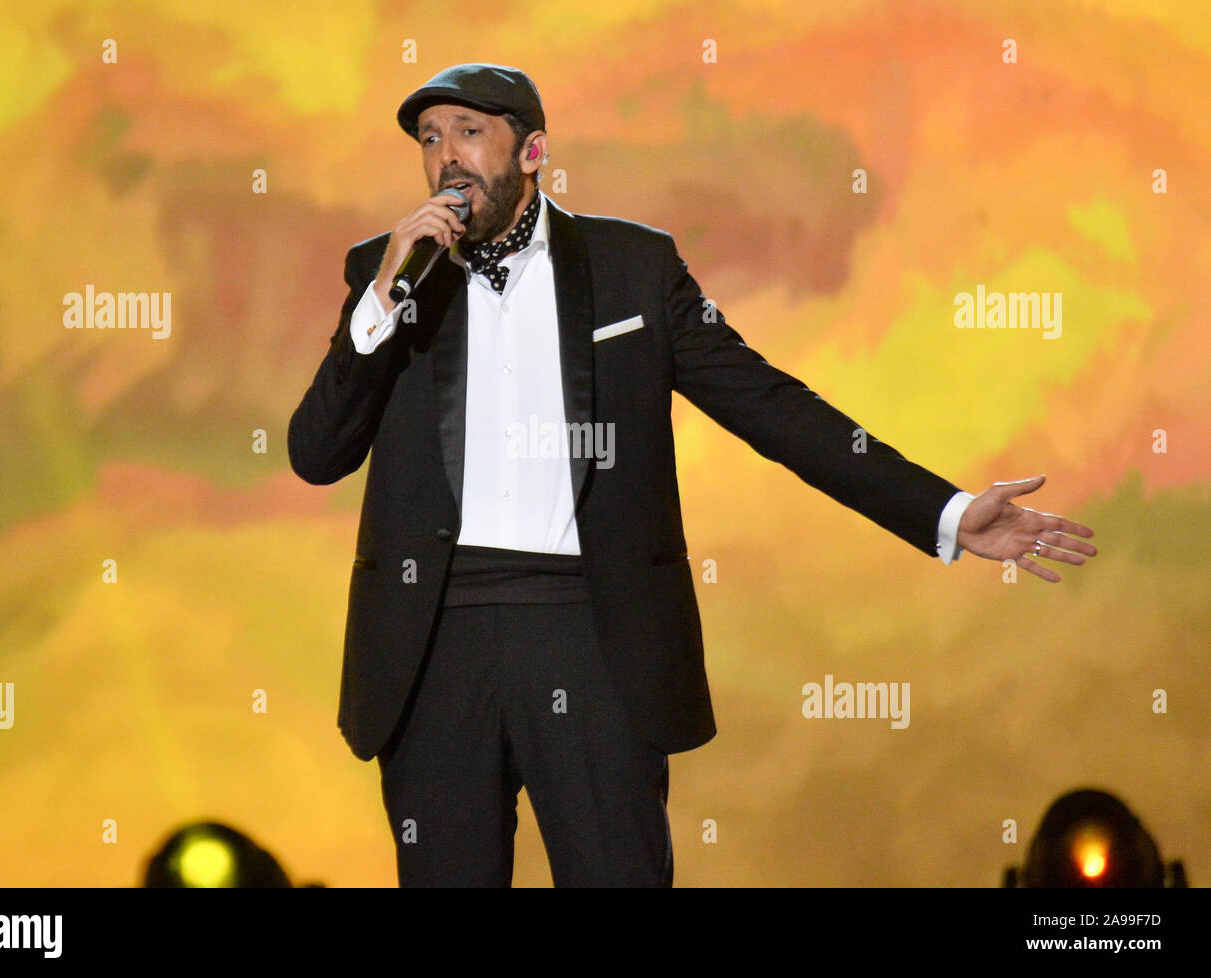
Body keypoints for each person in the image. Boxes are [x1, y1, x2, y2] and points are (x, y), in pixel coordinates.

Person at [287, 63, 1098, 887]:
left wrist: (948, 512)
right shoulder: (388, 276)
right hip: (435, 643)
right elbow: (316, 455)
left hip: (590, 632)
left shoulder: (632, 267)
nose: (446, 159)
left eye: (469, 133)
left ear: (532, 151)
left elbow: (771, 406)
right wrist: (384, 300)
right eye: (430, 139)